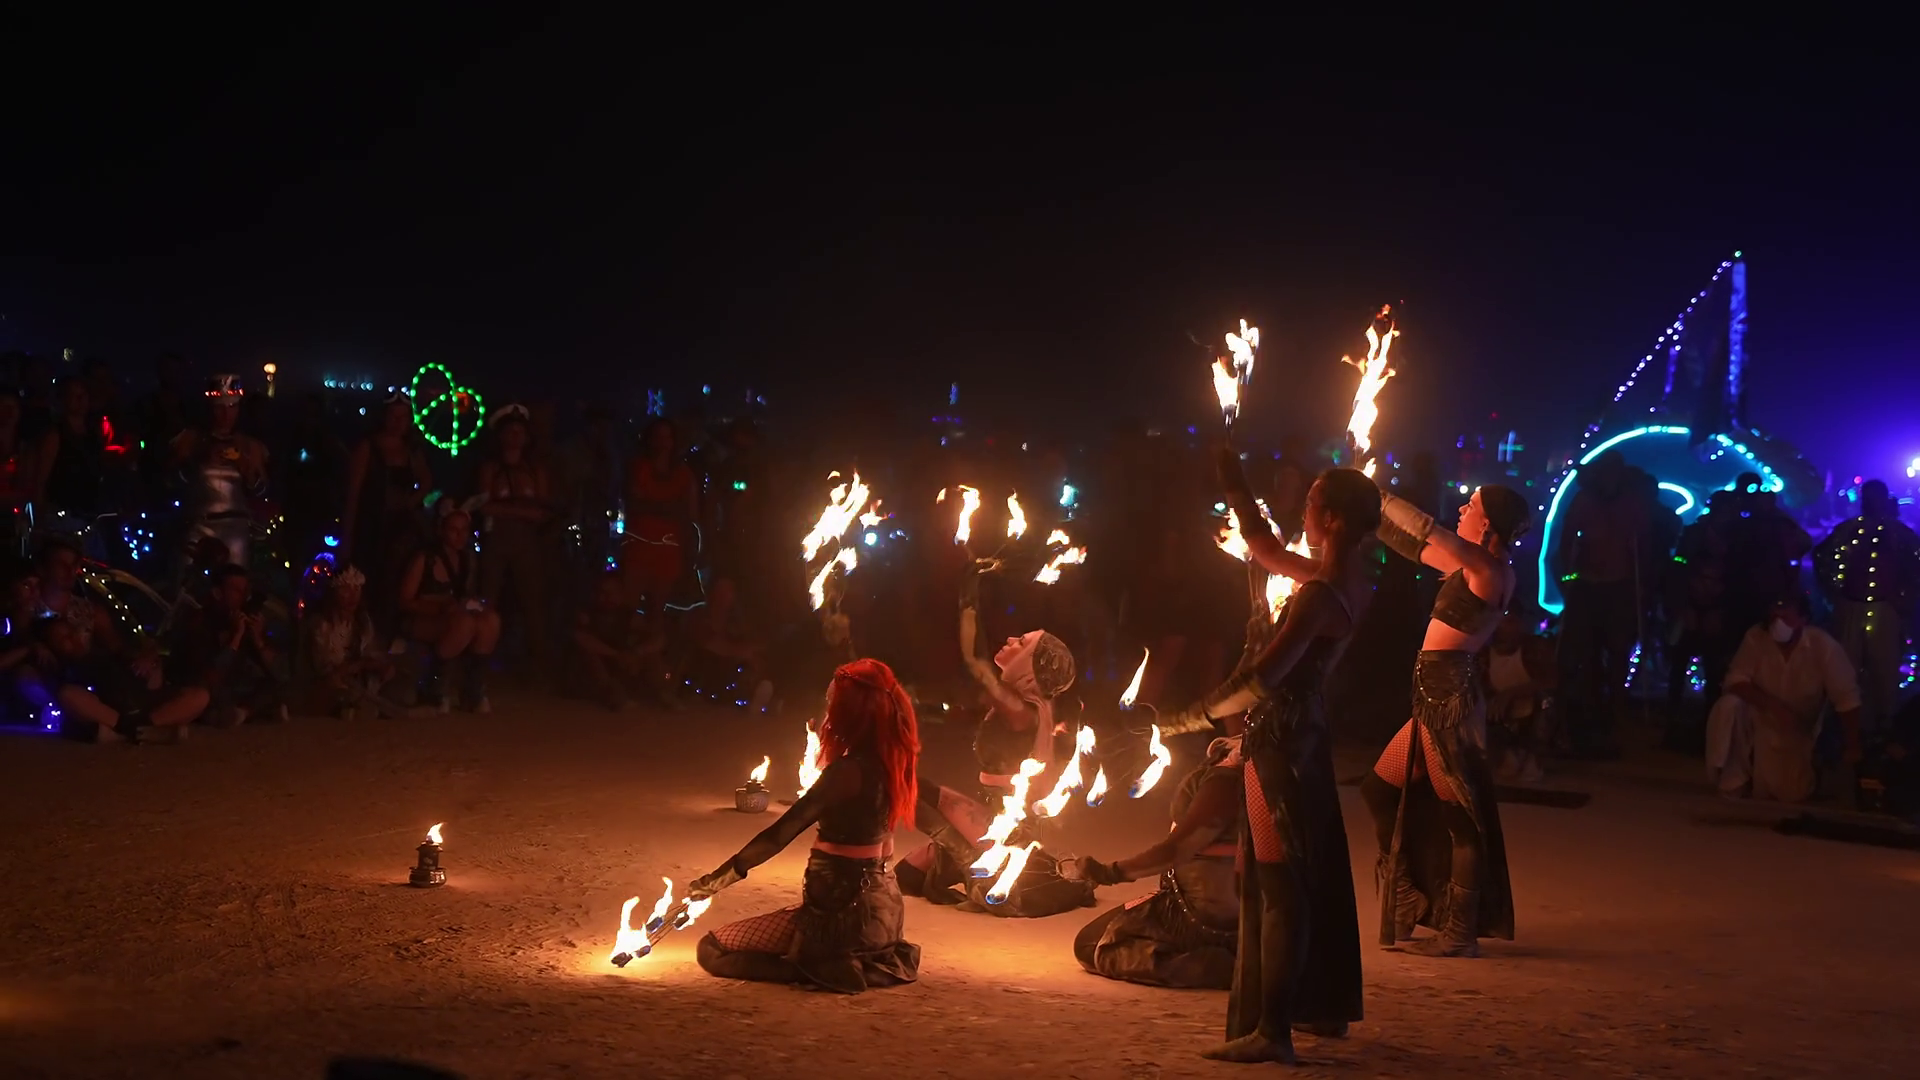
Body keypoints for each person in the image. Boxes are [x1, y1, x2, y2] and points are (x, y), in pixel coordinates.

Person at [1150, 467, 1379, 1064]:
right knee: (1302, 875)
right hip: (1307, 737)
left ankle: (1273, 1031)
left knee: (1278, 886)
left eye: (1312, 502)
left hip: (1279, 743)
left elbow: (1262, 678)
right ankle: (1318, 1007)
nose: (1303, 510)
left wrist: (1187, 719)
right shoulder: (1348, 581)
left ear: (1332, 519)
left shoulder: (1320, 595)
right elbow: (1267, 551)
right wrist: (1235, 485)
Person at [1360, 483, 1528, 959]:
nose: (1461, 509)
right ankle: (1407, 894)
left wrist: (1377, 493)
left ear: (1487, 522)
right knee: (1379, 789)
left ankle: (1459, 931)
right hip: (1432, 696)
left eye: (1470, 505)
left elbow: (1428, 530)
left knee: (1459, 814)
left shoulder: (1488, 570)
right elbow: (1413, 544)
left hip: (1450, 701)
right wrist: (1364, 513)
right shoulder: (1469, 567)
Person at [688, 658, 921, 994]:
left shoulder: (847, 772)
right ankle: (851, 963)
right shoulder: (894, 764)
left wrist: (716, 880)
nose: (828, 710)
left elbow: (780, 834)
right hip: (886, 919)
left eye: (833, 702)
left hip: (843, 921)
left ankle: (822, 968)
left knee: (712, 949)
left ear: (851, 712)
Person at [1071, 733, 1244, 990]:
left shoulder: (1226, 779)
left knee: (1091, 944)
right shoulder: (1259, 765)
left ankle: (1217, 967)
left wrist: (1109, 872)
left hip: (1205, 916)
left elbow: (1176, 850)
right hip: (1227, 906)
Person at [1705, 594, 1862, 802]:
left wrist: (1852, 747)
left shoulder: (1823, 647)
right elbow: (1735, 681)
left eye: (1785, 618)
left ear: (1803, 619)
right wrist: (1774, 707)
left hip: (1798, 730)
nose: (1778, 624)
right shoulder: (1756, 638)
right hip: (1760, 718)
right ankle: (1733, 779)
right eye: (1774, 618)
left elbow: (1847, 699)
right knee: (1729, 706)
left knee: (1789, 793)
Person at [1552, 449, 1648, 757]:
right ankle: (1590, 712)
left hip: (1619, 585)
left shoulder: (1630, 502)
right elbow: (1566, 539)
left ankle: (1616, 711)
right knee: (1587, 651)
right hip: (1588, 585)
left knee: (1618, 651)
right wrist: (1567, 577)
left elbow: (1642, 540)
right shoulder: (1585, 501)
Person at [1815, 480, 1920, 738]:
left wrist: (1905, 598)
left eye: (1877, 497)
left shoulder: (1899, 534)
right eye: (1868, 497)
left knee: (1885, 668)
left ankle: (1885, 726)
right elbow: (1822, 557)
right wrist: (1834, 594)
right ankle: (1848, 726)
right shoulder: (1847, 530)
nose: (1872, 502)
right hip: (1851, 606)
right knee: (1846, 668)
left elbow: (1915, 565)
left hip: (1885, 609)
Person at [342, 392, 433, 636]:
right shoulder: (368, 447)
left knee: (396, 581)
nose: (398, 422)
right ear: (384, 416)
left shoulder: (411, 450)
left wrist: (410, 501)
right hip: (370, 527)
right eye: (394, 416)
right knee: (368, 581)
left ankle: (388, 634)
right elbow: (353, 493)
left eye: (404, 417)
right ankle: (360, 635)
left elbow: (426, 481)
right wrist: (347, 536)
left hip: (400, 529)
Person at [398, 506, 500, 711]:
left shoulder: (467, 559)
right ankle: (435, 689)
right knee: (464, 624)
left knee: (490, 620)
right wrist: (439, 607)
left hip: (453, 615)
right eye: (454, 530)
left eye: (464, 530)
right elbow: (404, 601)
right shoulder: (424, 558)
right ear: (442, 530)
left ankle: (473, 691)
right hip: (422, 618)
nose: (459, 535)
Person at [475, 404, 553, 672]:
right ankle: (479, 661)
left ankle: (537, 664)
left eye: (520, 432)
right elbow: (484, 506)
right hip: (496, 541)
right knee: (487, 598)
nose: (515, 437)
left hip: (527, 543)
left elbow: (543, 510)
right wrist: (523, 511)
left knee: (533, 603)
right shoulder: (490, 468)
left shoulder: (535, 470)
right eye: (510, 431)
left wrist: (509, 509)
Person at [168, 375, 269, 575]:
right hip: (199, 526)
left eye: (232, 407)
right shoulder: (191, 439)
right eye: (219, 407)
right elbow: (172, 482)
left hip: (236, 529)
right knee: (188, 584)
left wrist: (246, 469)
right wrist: (198, 458)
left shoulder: (249, 445)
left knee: (234, 585)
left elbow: (262, 490)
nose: (225, 414)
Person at [299, 564, 404, 718]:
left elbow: (372, 653)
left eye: (356, 589)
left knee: (402, 690)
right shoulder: (321, 625)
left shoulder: (363, 622)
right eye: (345, 589)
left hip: (360, 681)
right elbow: (328, 671)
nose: (352, 595)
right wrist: (359, 665)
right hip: (328, 685)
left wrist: (380, 666)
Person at [619, 418, 697, 623]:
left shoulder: (683, 473)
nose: (662, 443)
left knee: (657, 611)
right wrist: (669, 507)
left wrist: (652, 504)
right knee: (627, 609)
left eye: (666, 437)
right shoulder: (637, 467)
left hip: (667, 549)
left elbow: (689, 512)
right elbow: (634, 503)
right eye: (657, 437)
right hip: (638, 546)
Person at [1486, 611, 1556, 782]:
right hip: (1501, 713)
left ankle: (1533, 757)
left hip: (1533, 708)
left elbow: (1551, 682)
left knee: (1546, 705)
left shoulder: (1534, 648)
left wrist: (1513, 693)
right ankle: (1507, 754)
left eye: (1512, 621)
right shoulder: (1483, 653)